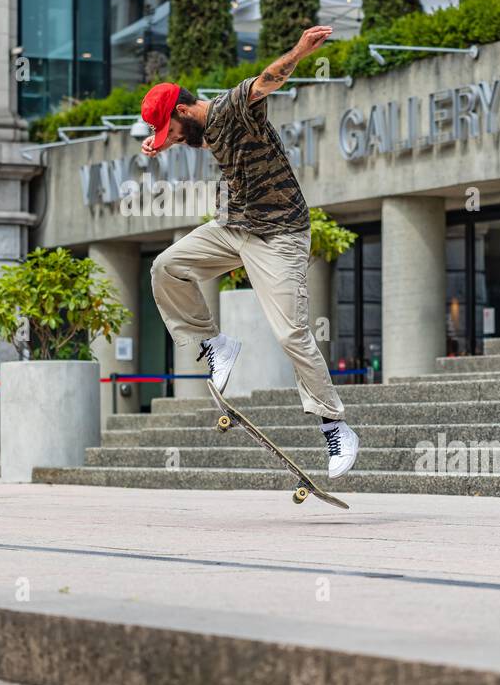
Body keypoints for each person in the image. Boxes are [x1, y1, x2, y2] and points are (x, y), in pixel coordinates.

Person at [140, 24, 360, 481]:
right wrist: (157, 142)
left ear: (184, 109)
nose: (175, 140)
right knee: (167, 266)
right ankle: (214, 342)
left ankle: (335, 424)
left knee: (291, 334)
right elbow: (191, 136)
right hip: (233, 227)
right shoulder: (201, 129)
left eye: (173, 131)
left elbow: (269, 78)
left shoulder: (231, 107)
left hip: (280, 234)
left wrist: (300, 50)